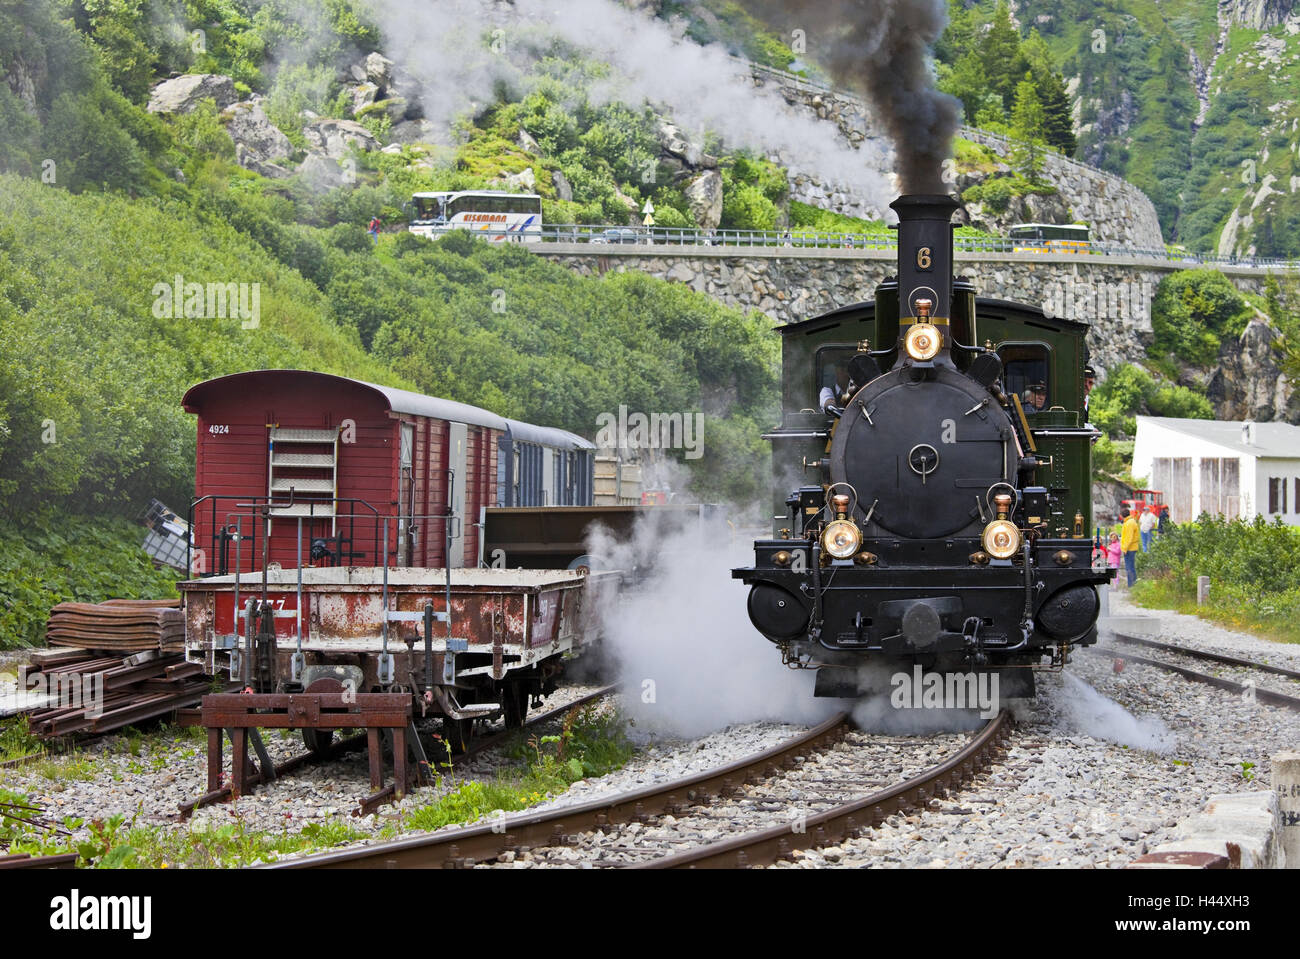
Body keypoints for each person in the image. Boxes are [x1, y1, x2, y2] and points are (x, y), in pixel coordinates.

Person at [1120, 507, 1141, 587]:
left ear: (1122, 515)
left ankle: (1131, 585)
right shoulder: (1130, 522)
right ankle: (1133, 584)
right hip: (1131, 547)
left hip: (1129, 548)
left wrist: (1125, 548)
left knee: (1129, 567)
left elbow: (1129, 537)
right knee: (1131, 566)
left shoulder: (1129, 523)